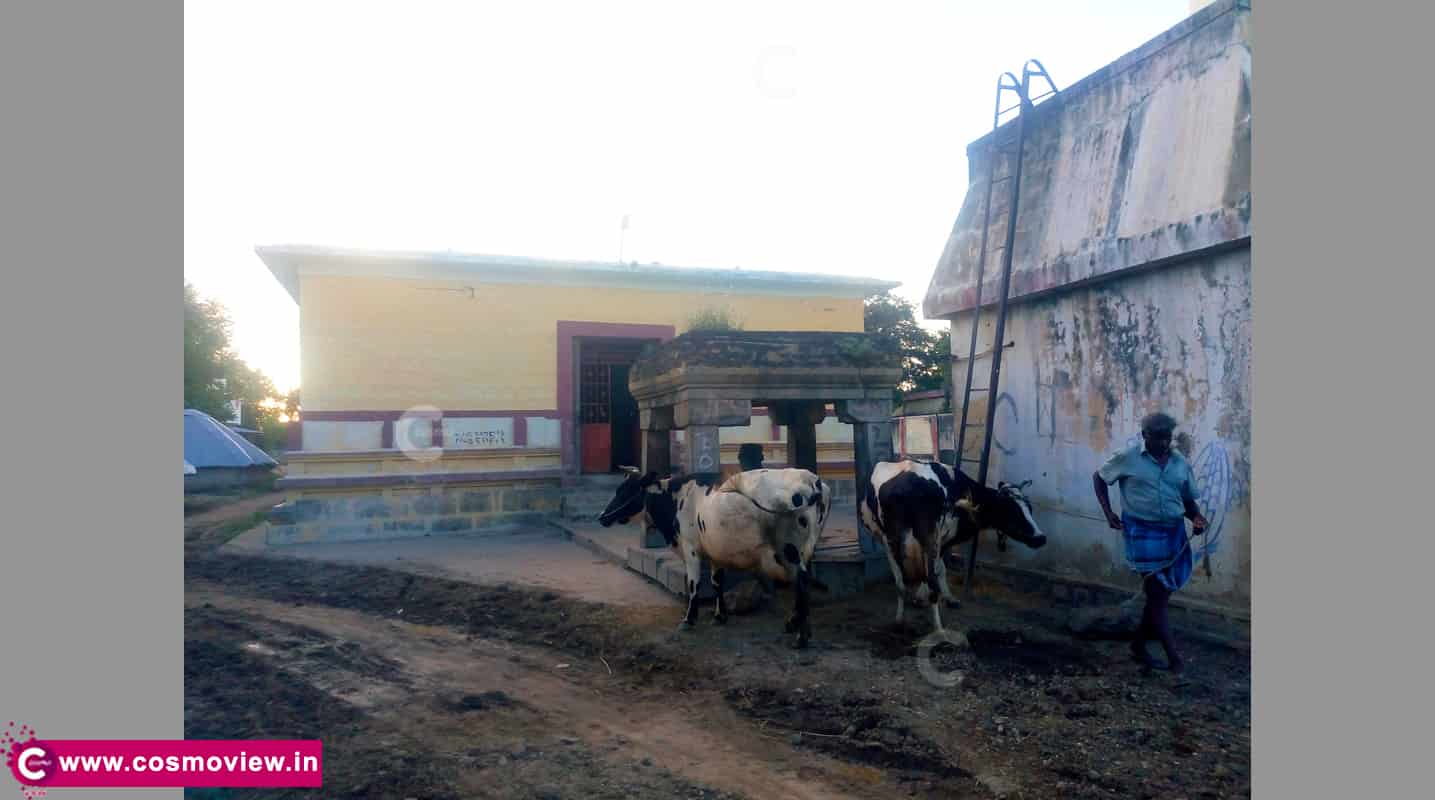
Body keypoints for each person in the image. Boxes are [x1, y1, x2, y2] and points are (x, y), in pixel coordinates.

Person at [1092, 412, 1208, 674]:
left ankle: (1138, 645)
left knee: (1159, 597)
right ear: (1145, 436)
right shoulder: (1128, 457)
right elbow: (1099, 478)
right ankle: (1174, 660)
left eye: (1167, 438)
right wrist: (1108, 513)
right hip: (1141, 533)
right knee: (1157, 595)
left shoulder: (1180, 463)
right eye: (1157, 438)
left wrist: (1198, 519)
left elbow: (1188, 502)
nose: (1164, 443)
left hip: (1173, 533)